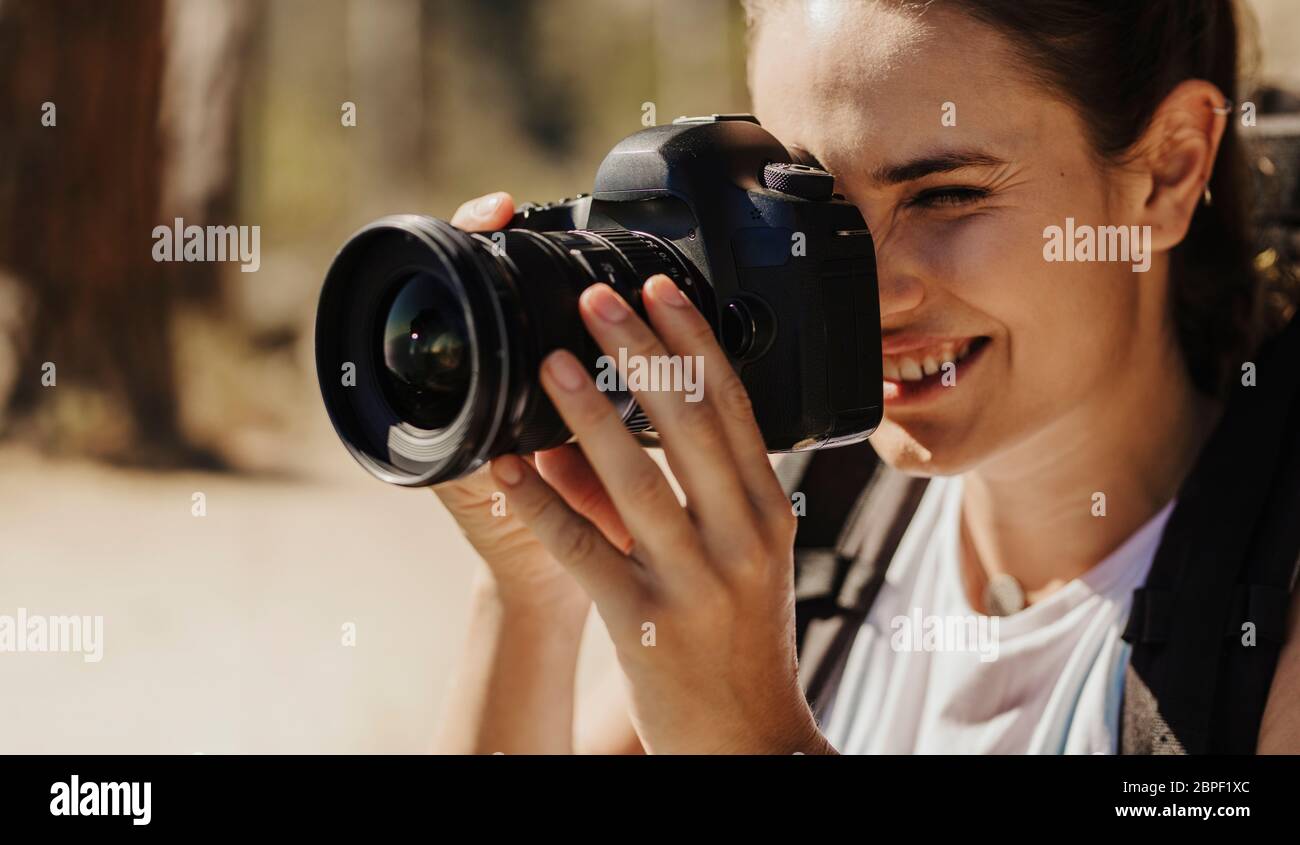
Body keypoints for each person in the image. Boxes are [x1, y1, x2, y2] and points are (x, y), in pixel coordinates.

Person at [432, 0, 1300, 754]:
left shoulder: (1272, 619)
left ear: (1169, 169)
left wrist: (749, 733)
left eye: (944, 195)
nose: (870, 293)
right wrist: (531, 580)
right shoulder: (820, 503)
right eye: (813, 210)